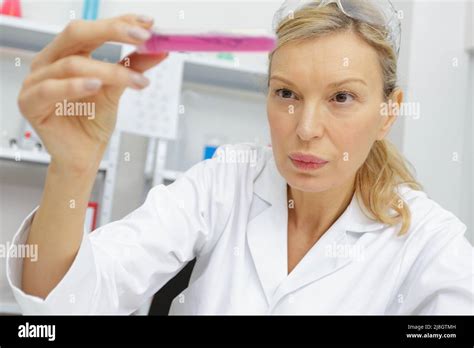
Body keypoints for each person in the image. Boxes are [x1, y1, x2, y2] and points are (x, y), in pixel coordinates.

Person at [7, 0, 473, 314]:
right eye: (286, 92)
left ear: (389, 112)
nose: (306, 128)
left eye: (342, 98)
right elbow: (63, 303)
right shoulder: (224, 181)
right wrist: (72, 168)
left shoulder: (428, 240)